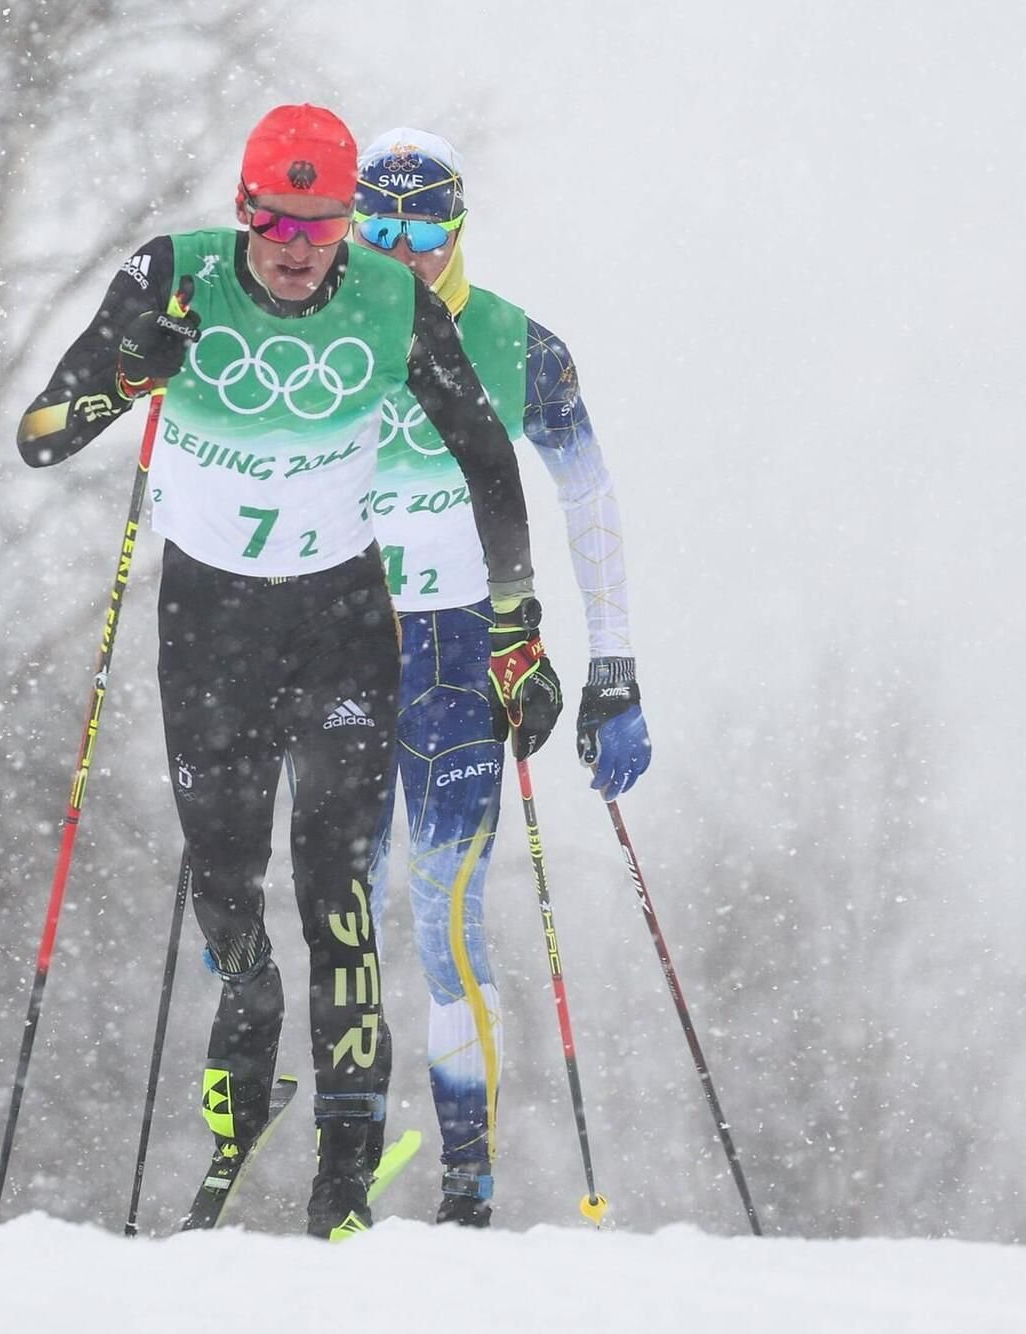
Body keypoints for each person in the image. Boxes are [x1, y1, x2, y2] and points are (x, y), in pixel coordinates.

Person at [15, 105, 561, 1239]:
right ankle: (247, 1000)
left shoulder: (389, 300)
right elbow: (41, 433)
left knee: (338, 891)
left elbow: (484, 453)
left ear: (345, 223)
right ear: (244, 213)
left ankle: (343, 1177)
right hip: (210, 622)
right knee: (223, 880)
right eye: (280, 222)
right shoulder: (173, 275)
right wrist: (128, 373)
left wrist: (514, 621)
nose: (301, 246)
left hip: (340, 619)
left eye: (323, 224)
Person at [353, 128, 653, 1228]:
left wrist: (609, 664)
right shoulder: (317, 329)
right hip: (336, 637)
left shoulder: (516, 344)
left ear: (457, 225)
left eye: (424, 226)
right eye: (377, 227)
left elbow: (589, 499)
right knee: (331, 906)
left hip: (455, 645)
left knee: (442, 920)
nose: (402, 250)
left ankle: (463, 1178)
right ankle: (346, 1140)